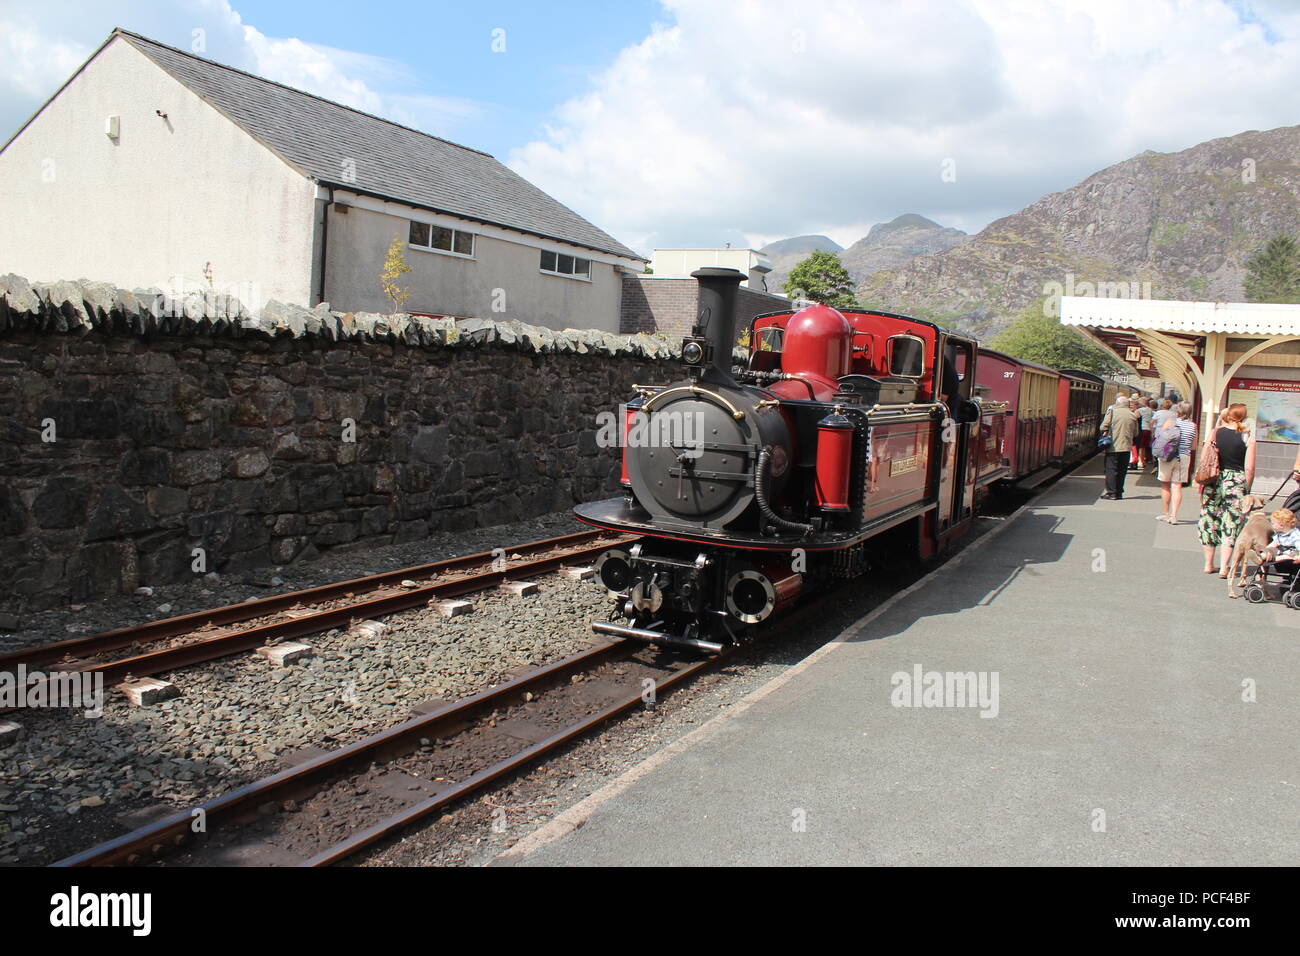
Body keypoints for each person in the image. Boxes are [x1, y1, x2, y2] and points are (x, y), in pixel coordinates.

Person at [1198, 403, 1256, 576]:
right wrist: (1247, 488)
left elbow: (1204, 458)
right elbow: (1250, 468)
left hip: (1213, 479)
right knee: (1231, 521)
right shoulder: (1248, 436)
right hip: (1236, 481)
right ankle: (1224, 567)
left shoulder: (1215, 432)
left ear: (1228, 415)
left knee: (1209, 518)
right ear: (1244, 417)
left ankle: (1208, 564)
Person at [1155, 401, 1196, 524]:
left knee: (1165, 484)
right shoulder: (1193, 426)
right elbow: (1193, 446)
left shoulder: (1171, 422)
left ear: (1178, 411)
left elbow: (1160, 438)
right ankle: (1174, 516)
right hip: (1184, 457)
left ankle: (1166, 513)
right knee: (1177, 486)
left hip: (1168, 455)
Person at [1099, 396, 1138, 499]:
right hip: (1126, 447)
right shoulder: (1132, 415)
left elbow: (1103, 426)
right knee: (1122, 470)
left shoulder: (1112, 412)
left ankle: (1111, 492)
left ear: (1117, 403)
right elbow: (1136, 433)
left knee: (1111, 469)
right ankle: (1119, 492)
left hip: (1113, 446)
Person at [1131, 397, 1154, 471]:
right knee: (1144, 446)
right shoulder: (1150, 410)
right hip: (1148, 429)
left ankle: (1140, 461)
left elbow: (1135, 418)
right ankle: (1143, 460)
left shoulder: (1139, 410)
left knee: (1140, 446)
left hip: (1142, 429)